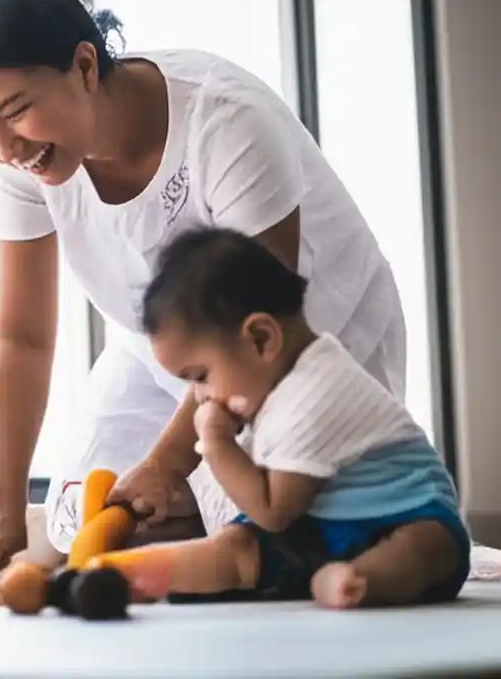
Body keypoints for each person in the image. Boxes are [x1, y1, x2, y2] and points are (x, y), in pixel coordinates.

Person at [0, 0, 409, 572]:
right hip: (159, 352)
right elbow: (21, 339)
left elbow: (248, 323)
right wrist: (2, 507)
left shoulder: (226, 120)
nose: (4, 148)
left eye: (16, 111)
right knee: (82, 519)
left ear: (84, 66)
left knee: (281, 531)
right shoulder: (18, 159)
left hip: (293, 348)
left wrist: (166, 464)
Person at [89, 228, 469, 609]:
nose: (200, 397)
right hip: (319, 529)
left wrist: (216, 445)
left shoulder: (316, 391)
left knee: (427, 548)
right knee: (235, 545)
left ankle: (359, 580)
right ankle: (120, 574)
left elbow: (273, 511)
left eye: (201, 377)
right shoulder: (271, 388)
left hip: (401, 517)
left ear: (261, 339)